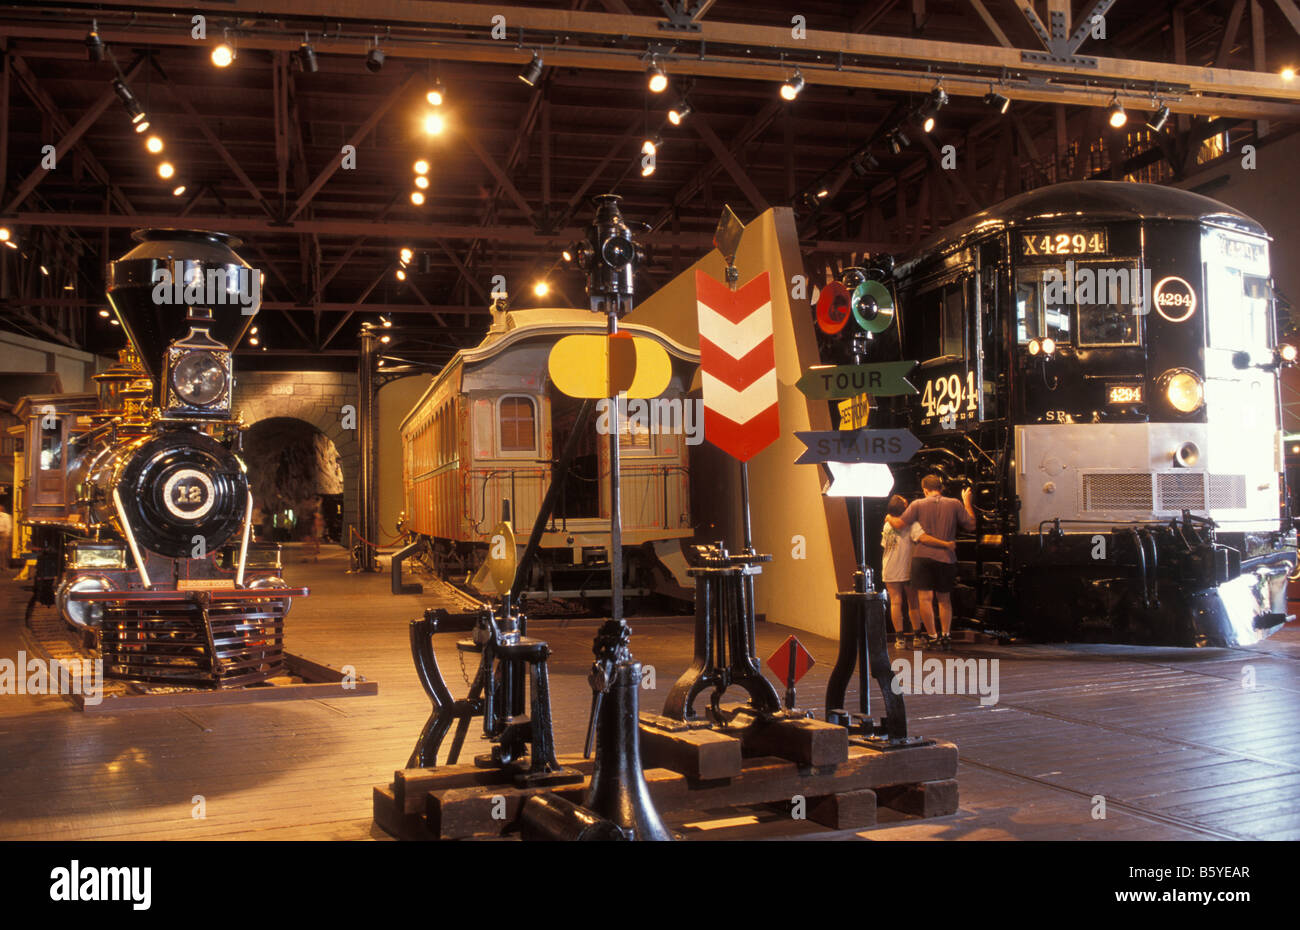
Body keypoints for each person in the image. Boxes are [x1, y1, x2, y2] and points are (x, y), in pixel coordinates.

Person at [888, 474, 975, 651]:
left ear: (925, 490)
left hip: (922, 557)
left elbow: (899, 524)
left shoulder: (918, 504)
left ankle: (933, 636)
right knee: (944, 599)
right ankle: (946, 636)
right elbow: (971, 525)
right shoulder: (954, 503)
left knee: (925, 599)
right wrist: (967, 501)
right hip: (946, 558)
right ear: (941, 488)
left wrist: (889, 517)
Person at [881, 495, 924, 647]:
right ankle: (917, 637)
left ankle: (899, 639)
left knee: (895, 602)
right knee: (913, 602)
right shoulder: (911, 523)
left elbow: (884, 544)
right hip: (907, 567)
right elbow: (920, 539)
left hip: (889, 567)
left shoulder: (887, 524)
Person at [0, 504, 12, 570]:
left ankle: (4, 566)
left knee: (3, 551)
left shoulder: (6, 516)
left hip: (3, 534)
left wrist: (7, 534)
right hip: (3, 534)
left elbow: (8, 526)